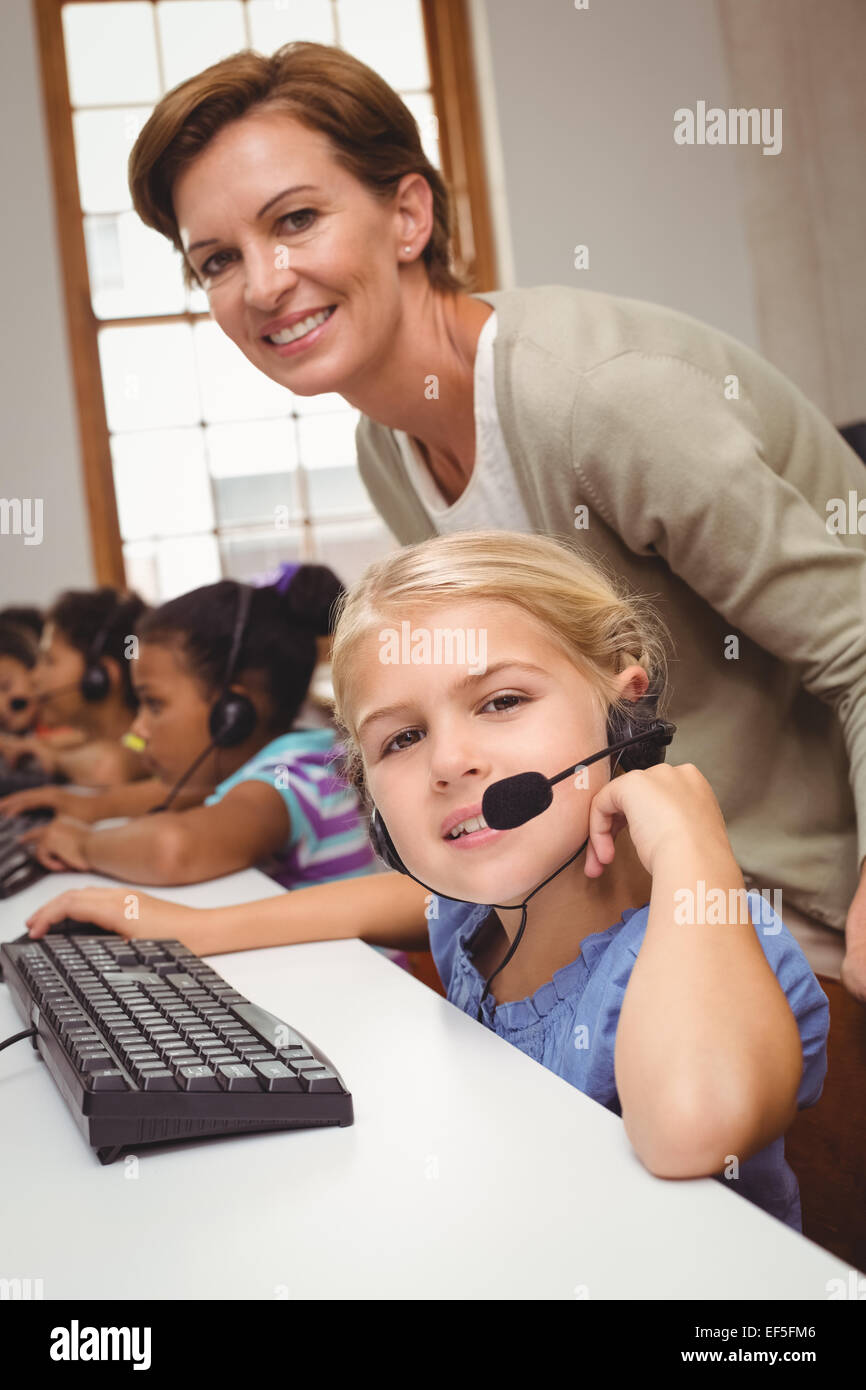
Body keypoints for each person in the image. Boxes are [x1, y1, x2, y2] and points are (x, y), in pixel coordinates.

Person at [126, 42, 866, 1000]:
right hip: (634, 924)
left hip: (801, 933)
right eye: (218, 260)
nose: (262, 285)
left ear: (407, 214)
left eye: (297, 220)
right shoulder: (386, 446)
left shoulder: (604, 401)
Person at [26, 531, 829, 1232]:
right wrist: (197, 929)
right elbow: (401, 903)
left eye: (502, 700)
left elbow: (691, 1130)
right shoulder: (480, 916)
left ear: (624, 708)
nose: (449, 762)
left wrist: (695, 850)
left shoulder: (716, 946)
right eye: (402, 738)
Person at [15, 577, 377, 891]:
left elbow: (173, 849)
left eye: (154, 705)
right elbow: (174, 796)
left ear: (231, 714)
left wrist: (84, 843)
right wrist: (85, 809)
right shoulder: (284, 757)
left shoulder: (290, 778)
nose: (139, 728)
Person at [0, 588, 149, 786]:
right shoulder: (89, 737)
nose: (34, 676)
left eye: (50, 661)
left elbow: (109, 765)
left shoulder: (141, 739)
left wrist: (55, 759)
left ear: (98, 677)